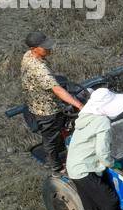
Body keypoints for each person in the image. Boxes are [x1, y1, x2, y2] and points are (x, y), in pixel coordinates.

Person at [65, 87, 123, 210]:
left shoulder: (86, 116)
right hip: (84, 169)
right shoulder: (102, 122)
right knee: (110, 199)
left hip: (73, 167)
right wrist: (112, 164)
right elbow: (102, 152)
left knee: (90, 204)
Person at [21, 32, 83, 173]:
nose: (49, 49)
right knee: (50, 138)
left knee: (56, 132)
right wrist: (79, 105)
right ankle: (55, 165)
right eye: (44, 47)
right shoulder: (39, 69)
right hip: (46, 110)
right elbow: (58, 90)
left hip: (37, 99)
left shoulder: (28, 56)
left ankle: (63, 145)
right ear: (34, 48)